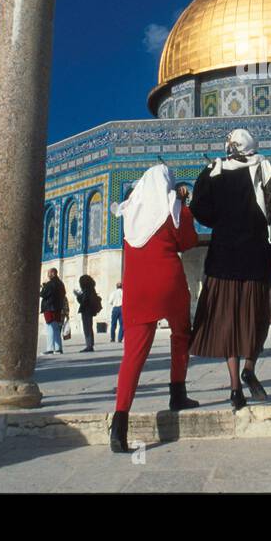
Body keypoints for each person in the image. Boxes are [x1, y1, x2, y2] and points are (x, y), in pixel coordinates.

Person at [188, 129, 271, 409]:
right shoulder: (268, 168)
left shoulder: (215, 170)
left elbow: (198, 208)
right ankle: (250, 368)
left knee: (227, 323)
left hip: (223, 259)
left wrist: (220, 221)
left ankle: (235, 388)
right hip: (256, 257)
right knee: (257, 319)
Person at [108, 164, 201, 453]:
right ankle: (177, 393)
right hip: (168, 283)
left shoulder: (129, 213)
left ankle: (119, 425)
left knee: (133, 356)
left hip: (136, 288)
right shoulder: (174, 210)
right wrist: (184, 205)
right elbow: (189, 242)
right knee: (180, 335)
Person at [39, 268, 67, 355]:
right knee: (56, 328)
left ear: (53, 273)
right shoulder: (61, 283)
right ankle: (58, 348)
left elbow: (43, 294)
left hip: (49, 308)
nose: (48, 275)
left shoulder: (50, 284)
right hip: (57, 308)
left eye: (48, 273)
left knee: (50, 328)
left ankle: (50, 348)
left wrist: (43, 287)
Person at [74, 275, 100, 352]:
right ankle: (90, 344)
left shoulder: (87, 290)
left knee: (87, 328)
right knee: (89, 327)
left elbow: (83, 301)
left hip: (86, 310)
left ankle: (89, 346)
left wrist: (78, 296)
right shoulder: (91, 288)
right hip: (90, 310)